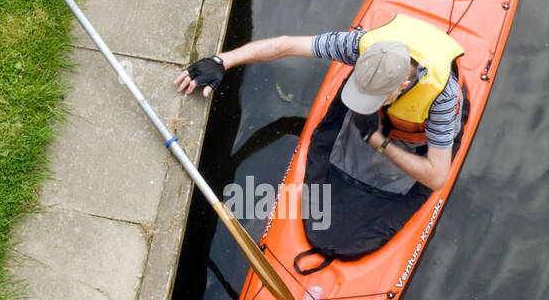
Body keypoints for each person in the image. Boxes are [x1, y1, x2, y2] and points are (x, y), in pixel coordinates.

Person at [176, 15, 465, 196]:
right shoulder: (358, 44)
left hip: (415, 127)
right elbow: (287, 45)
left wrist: (378, 141)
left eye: (374, 96)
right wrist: (222, 60)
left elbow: (436, 177)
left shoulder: (442, 97)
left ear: (402, 86)